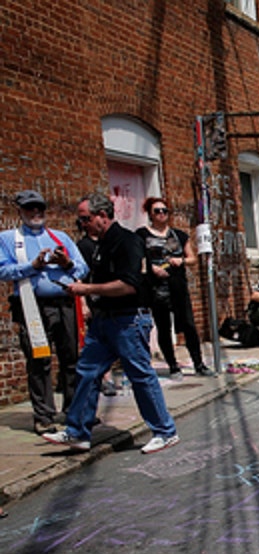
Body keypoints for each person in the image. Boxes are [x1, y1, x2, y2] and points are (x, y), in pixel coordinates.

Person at [43, 192, 180, 454]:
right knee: (87, 372)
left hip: (128, 320)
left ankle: (165, 431)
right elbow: (97, 275)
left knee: (140, 376)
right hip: (104, 321)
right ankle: (78, 433)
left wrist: (86, 289)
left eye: (85, 219)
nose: (81, 224)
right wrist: (70, 265)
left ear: (102, 216)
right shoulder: (101, 244)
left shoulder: (127, 242)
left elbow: (128, 285)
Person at [1, 190, 89, 434]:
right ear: (20, 211)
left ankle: (74, 409)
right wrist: (33, 266)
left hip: (64, 303)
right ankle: (44, 415)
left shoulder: (59, 237)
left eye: (40, 208)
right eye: (30, 208)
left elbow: (82, 268)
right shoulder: (9, 238)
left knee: (71, 357)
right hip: (32, 306)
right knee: (39, 360)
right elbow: (3, 270)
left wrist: (66, 263)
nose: (36, 213)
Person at [137, 196, 213, 377]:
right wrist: (152, 269)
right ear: (150, 214)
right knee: (163, 327)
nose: (162, 214)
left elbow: (192, 258)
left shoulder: (178, 235)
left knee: (188, 325)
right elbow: (138, 262)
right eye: (157, 211)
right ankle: (173, 365)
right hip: (156, 288)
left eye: (165, 211)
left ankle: (199, 363)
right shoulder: (142, 235)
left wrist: (181, 260)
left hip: (178, 285)